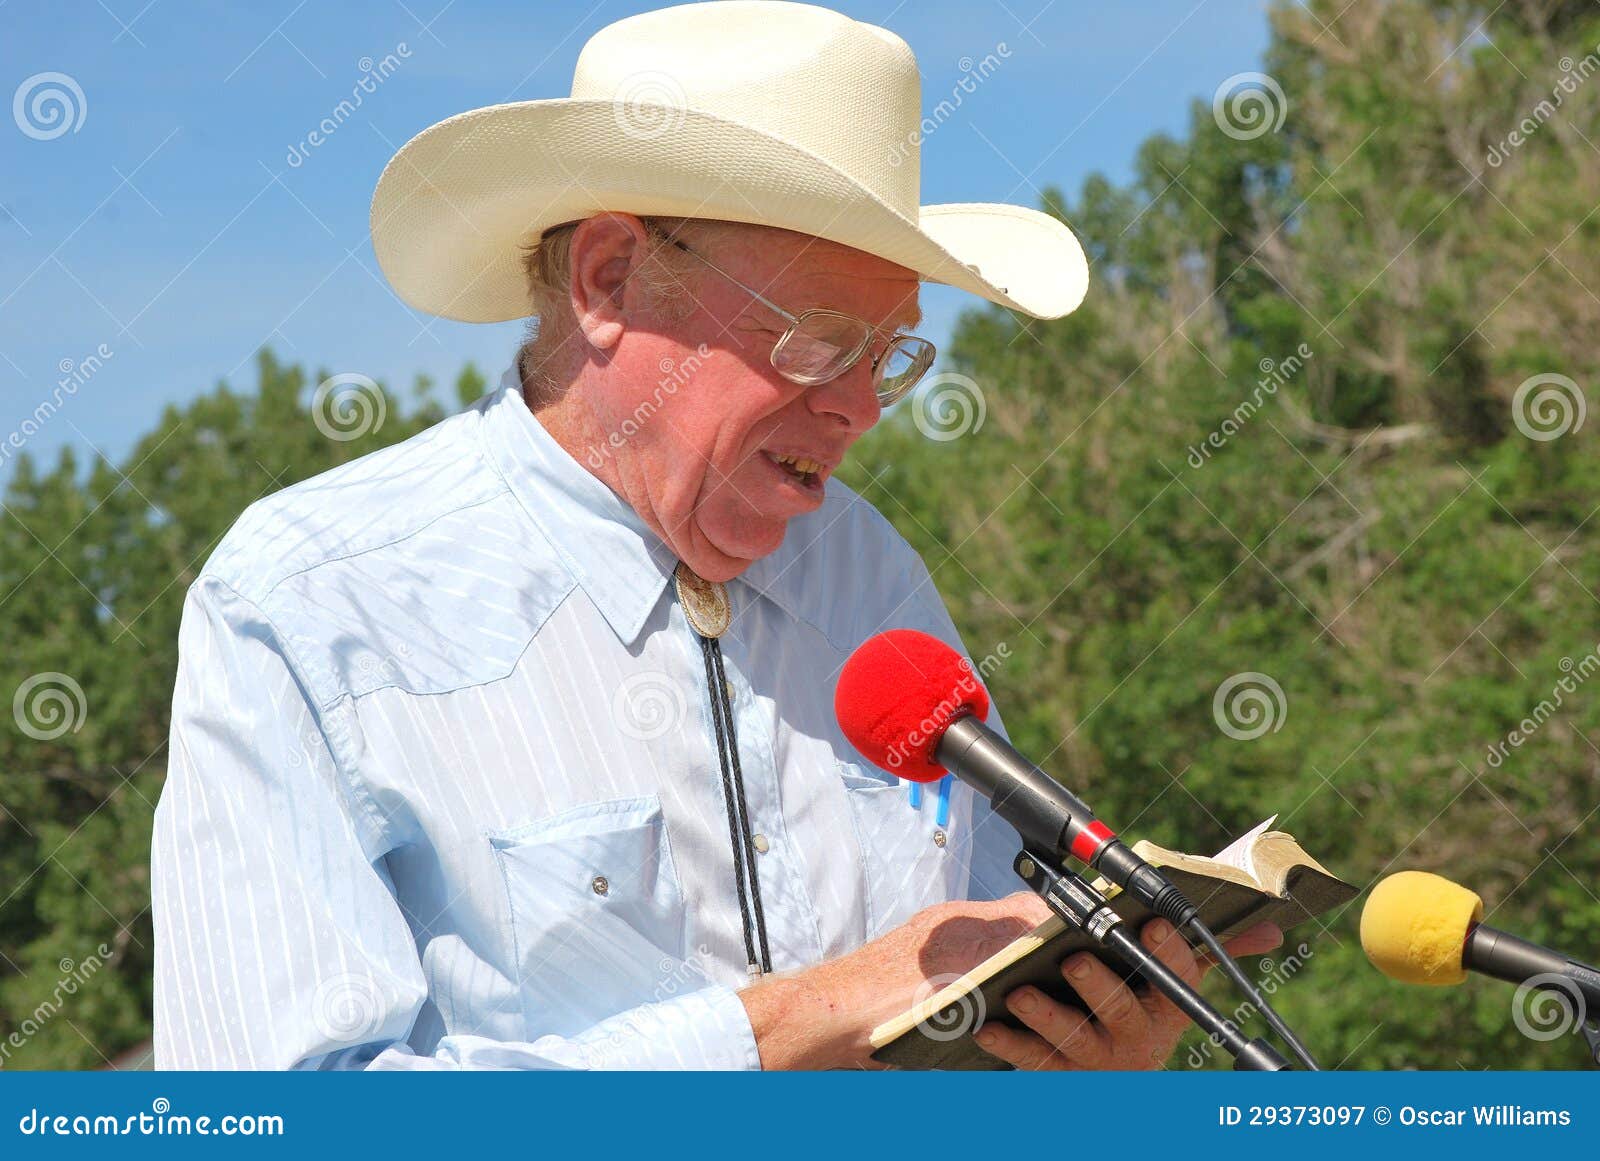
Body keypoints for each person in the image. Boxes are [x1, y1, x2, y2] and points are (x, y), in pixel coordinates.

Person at [152, 0, 1278, 1070]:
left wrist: (1068, 1063)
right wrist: (794, 1024)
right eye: (818, 338)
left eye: (889, 353)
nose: (863, 406)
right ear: (607, 278)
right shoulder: (310, 603)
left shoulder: (870, 573)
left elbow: (966, 988)